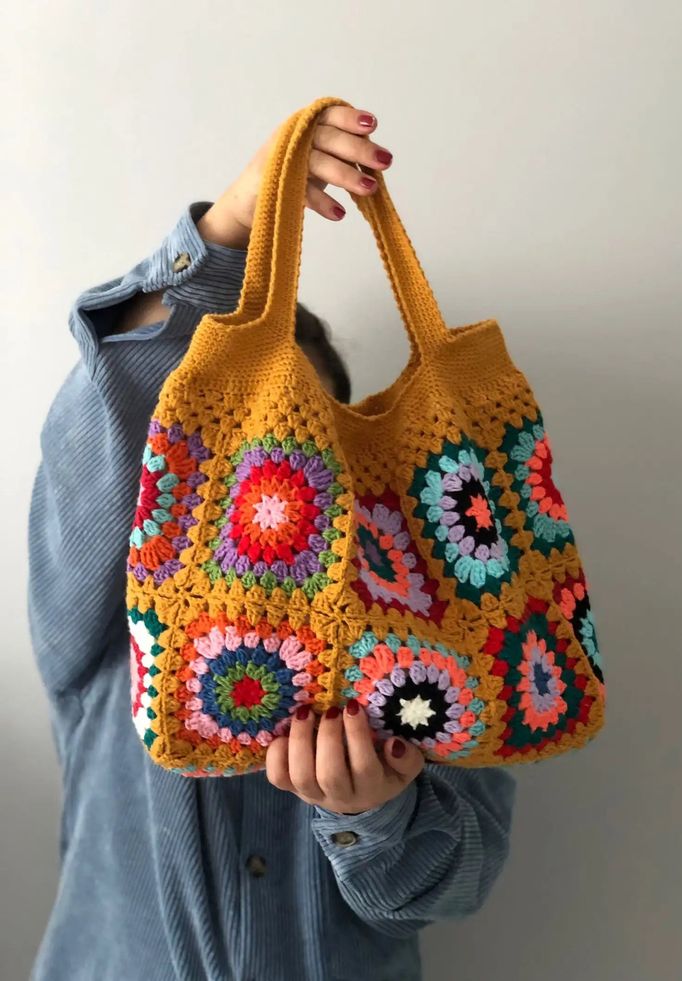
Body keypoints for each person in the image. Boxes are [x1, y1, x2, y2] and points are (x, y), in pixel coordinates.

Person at [27, 104, 516, 981]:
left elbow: (455, 881)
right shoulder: (98, 598)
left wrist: (380, 816)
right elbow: (105, 409)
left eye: (299, 464)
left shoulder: (438, 614)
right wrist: (222, 239)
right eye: (228, 453)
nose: (267, 496)